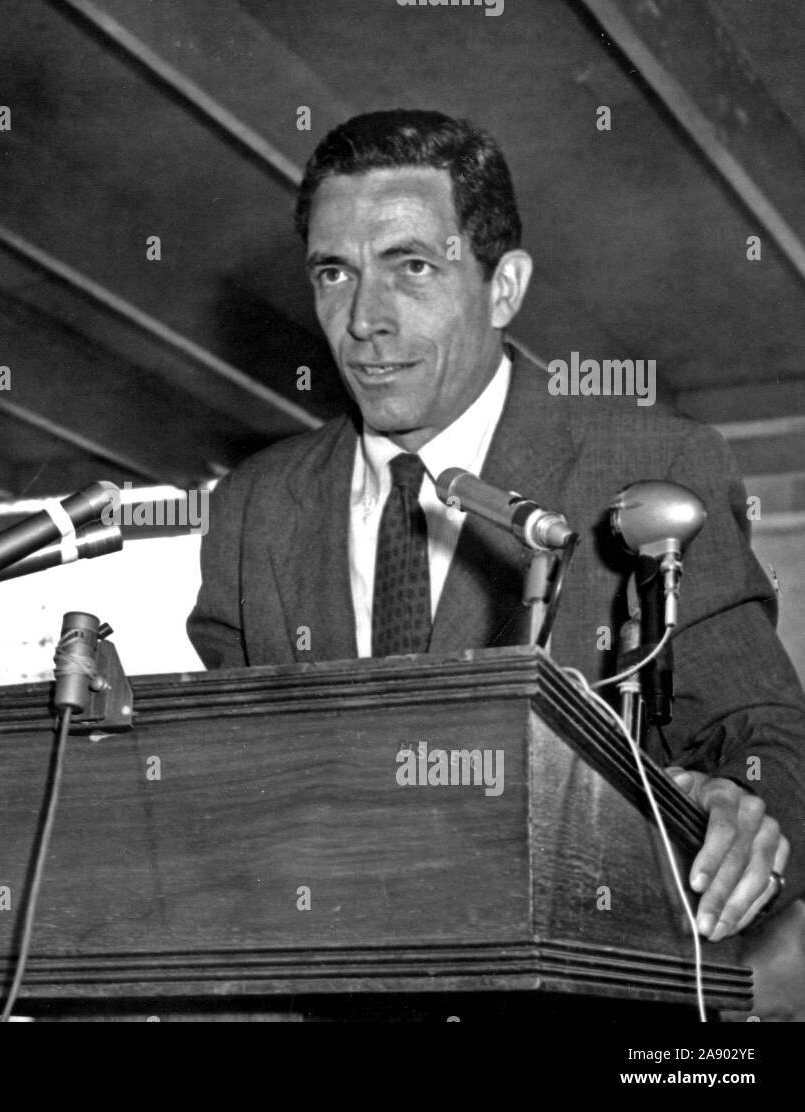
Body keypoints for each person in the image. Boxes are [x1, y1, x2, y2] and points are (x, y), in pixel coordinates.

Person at [187, 109, 805, 949]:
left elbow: (766, 733)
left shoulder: (651, 465)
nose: (365, 318)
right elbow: (231, 786)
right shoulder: (253, 508)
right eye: (334, 273)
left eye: (411, 267)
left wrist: (743, 811)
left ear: (504, 287)